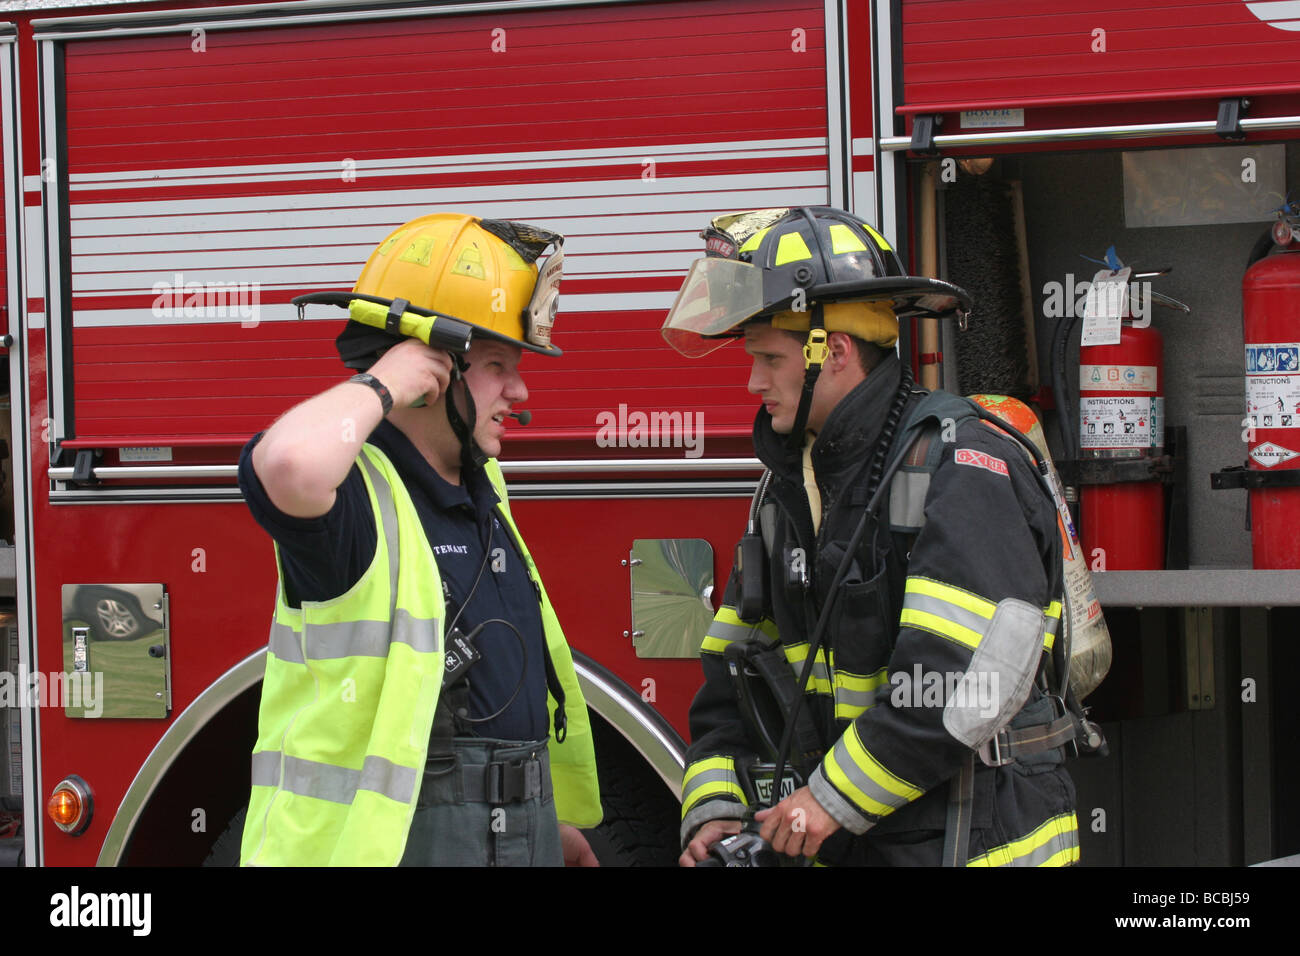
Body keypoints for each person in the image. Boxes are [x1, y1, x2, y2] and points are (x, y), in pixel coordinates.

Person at [664, 206, 1080, 866]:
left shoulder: (963, 468)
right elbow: (735, 672)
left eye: (769, 359)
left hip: (980, 842)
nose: (753, 382)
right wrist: (716, 805)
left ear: (832, 352)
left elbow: (958, 685)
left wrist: (828, 799)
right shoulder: (791, 492)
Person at [237, 213, 601, 866]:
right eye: (497, 365)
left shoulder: (484, 489)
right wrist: (382, 384)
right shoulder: (353, 502)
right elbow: (284, 464)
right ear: (433, 371)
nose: (519, 392)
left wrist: (543, 827)